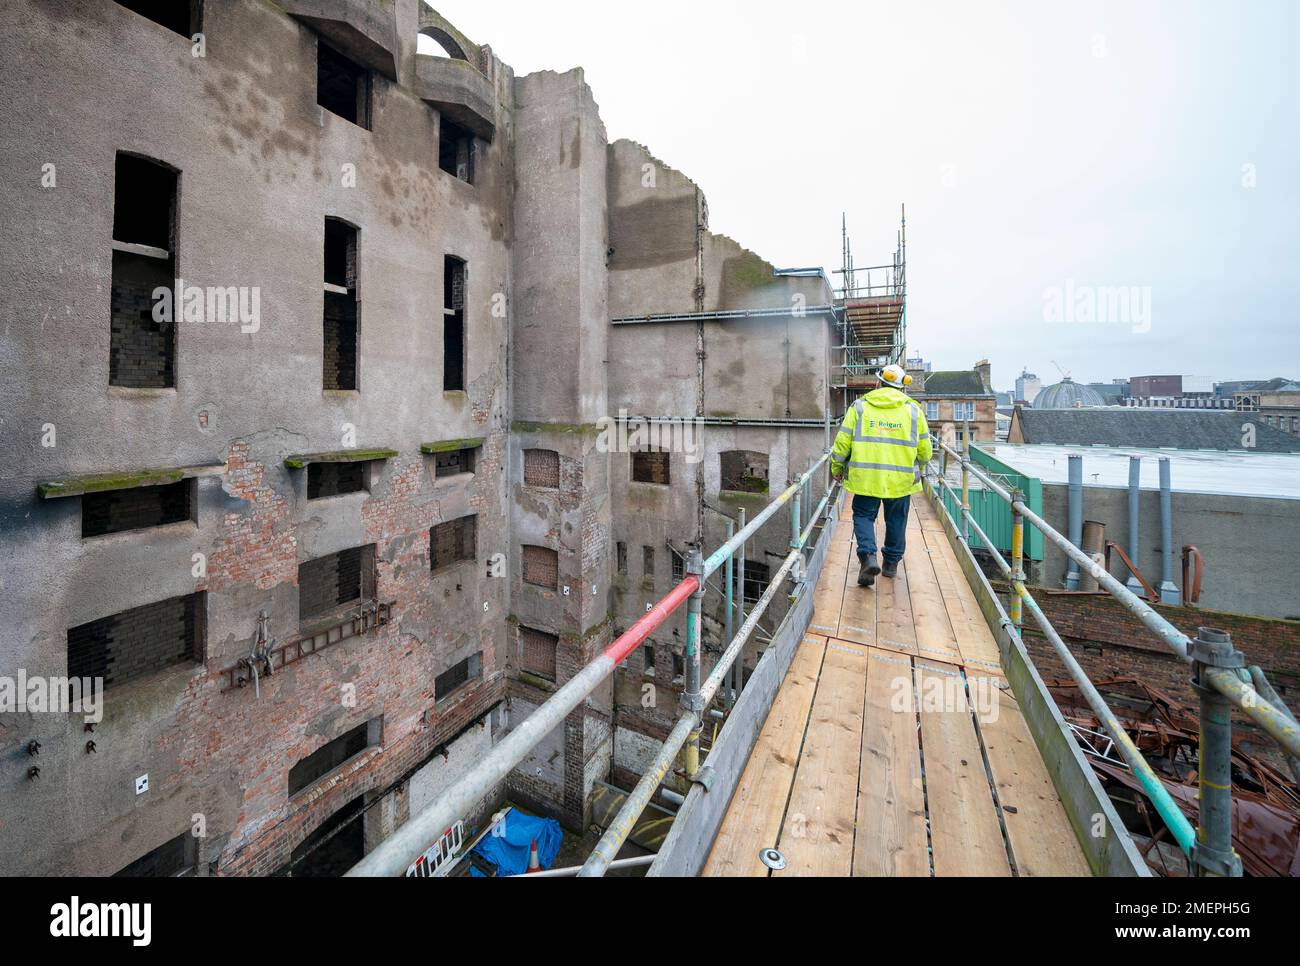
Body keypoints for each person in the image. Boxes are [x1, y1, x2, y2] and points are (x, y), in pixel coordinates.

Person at [830, 364, 932, 587]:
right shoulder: (914, 411)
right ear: (901, 388)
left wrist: (837, 469)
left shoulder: (859, 407)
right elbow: (926, 451)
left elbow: (842, 444)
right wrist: (918, 468)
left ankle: (867, 556)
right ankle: (890, 565)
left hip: (866, 478)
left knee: (863, 516)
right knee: (896, 519)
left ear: (878, 383)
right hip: (900, 480)